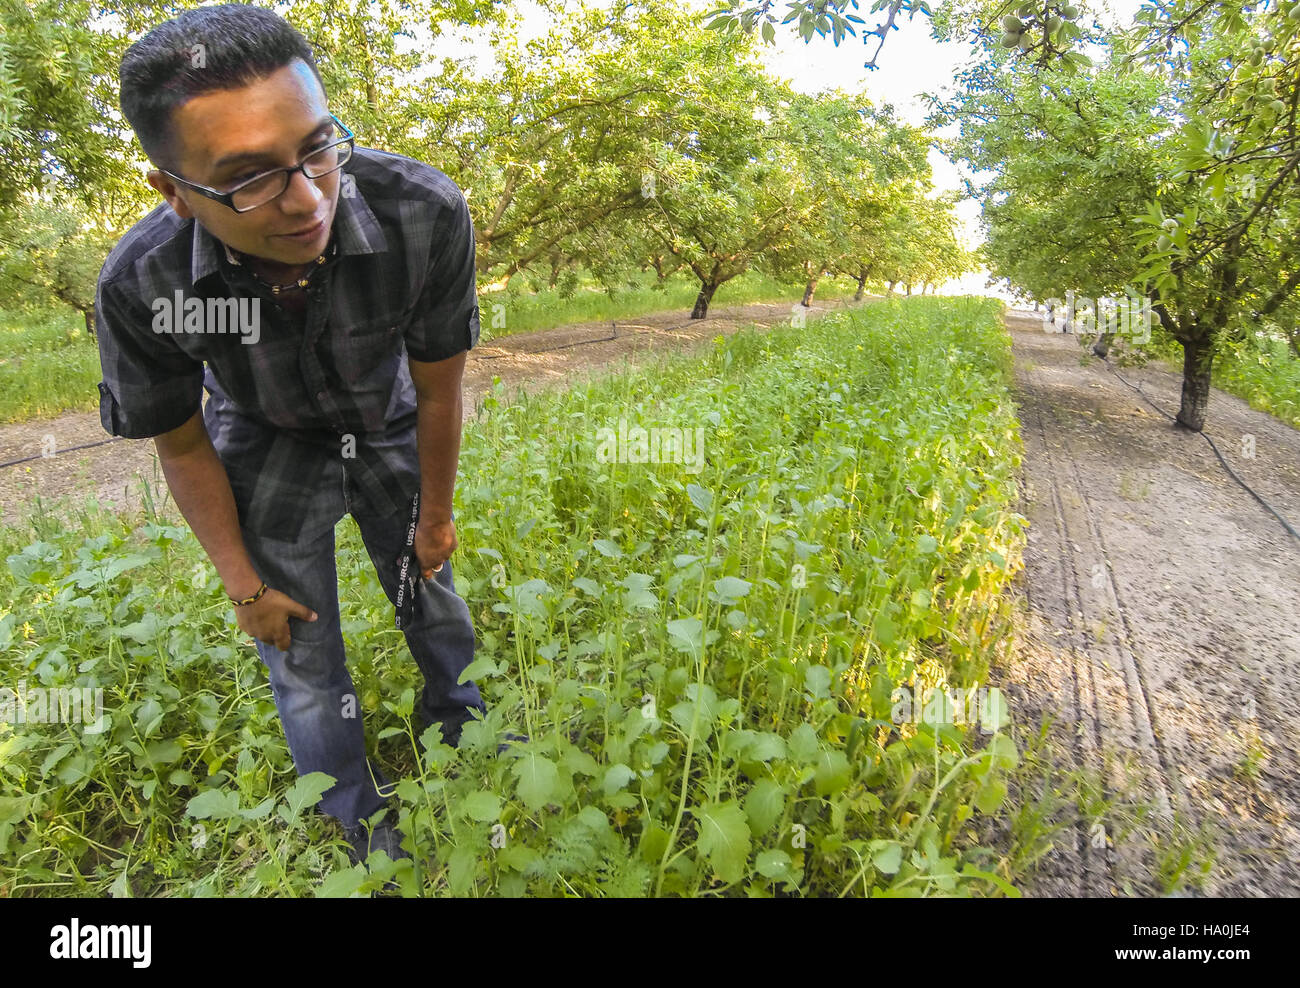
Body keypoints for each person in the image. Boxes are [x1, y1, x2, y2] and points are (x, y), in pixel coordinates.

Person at [96, 3, 520, 877]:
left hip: (391, 419)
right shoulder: (144, 284)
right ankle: (361, 832)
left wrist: (434, 514)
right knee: (298, 650)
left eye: (318, 148)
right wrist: (243, 584)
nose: (308, 198)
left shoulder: (423, 211)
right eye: (249, 178)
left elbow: (440, 384)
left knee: (431, 590)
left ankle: (469, 730)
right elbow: (181, 448)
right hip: (265, 436)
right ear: (172, 191)